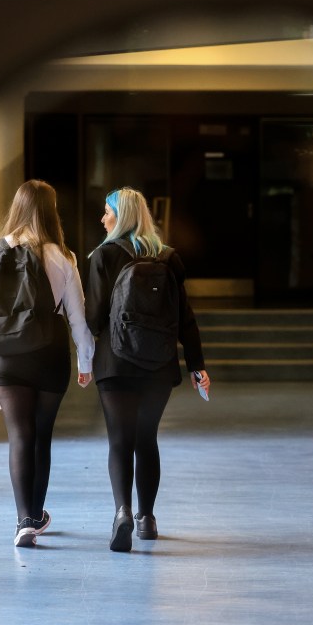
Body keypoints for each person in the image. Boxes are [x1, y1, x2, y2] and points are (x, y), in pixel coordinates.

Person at [0, 179, 95, 548]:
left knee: (19, 436)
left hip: (6, 357)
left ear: (17, 208)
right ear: (52, 211)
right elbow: (78, 318)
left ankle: (23, 522)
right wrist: (86, 361)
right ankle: (37, 515)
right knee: (41, 436)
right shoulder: (63, 257)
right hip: (50, 357)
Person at [78, 186, 210, 552]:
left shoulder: (103, 256)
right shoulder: (169, 258)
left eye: (107, 212)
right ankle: (147, 519)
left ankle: (122, 511)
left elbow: (93, 318)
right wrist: (197, 365)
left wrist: (86, 356)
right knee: (146, 439)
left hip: (115, 363)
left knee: (120, 440)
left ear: (121, 217)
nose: (102, 218)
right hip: (158, 364)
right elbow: (186, 318)